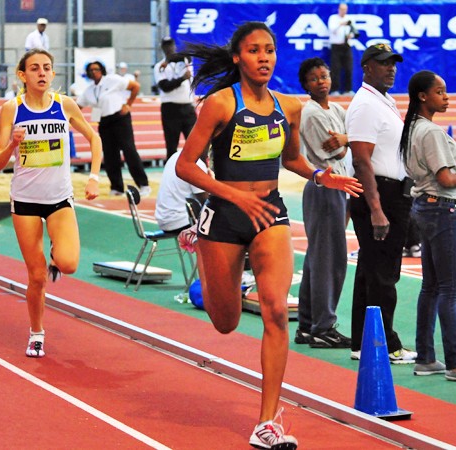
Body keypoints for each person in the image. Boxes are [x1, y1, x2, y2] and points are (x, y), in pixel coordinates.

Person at [174, 22, 361, 449]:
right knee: (226, 323)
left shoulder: (289, 108)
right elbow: (186, 166)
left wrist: (320, 175)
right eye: (255, 50)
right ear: (238, 57)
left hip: (270, 215)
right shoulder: (220, 104)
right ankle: (203, 252)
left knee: (276, 311)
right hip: (224, 216)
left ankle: (267, 423)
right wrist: (233, 197)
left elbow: (292, 159)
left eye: (270, 50)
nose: (264, 57)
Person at [0, 49, 103, 358]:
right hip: (25, 201)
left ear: (53, 74)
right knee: (36, 276)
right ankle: (36, 332)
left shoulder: (64, 105)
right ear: (23, 75)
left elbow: (95, 139)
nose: (42, 72)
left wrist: (93, 177)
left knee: (68, 264)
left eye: (47, 68)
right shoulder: (10, 109)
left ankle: (55, 255)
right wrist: (13, 143)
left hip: (59, 199)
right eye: (35, 68)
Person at [401, 69, 456, 383]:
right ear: (423, 96)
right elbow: (446, 178)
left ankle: (426, 357)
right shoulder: (432, 133)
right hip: (441, 208)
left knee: (431, 287)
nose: (446, 97)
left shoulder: (410, 127)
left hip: (424, 207)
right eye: (440, 92)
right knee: (451, 291)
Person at [345, 43, 416, 363]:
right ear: (367, 67)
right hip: (380, 194)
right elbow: (361, 160)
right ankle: (385, 344)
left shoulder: (382, 101)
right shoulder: (365, 106)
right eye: (383, 63)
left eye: (393, 63)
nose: (391, 68)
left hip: (389, 192)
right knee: (384, 275)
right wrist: (376, 208)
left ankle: (363, 343)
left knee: (371, 272)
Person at [295, 57, 352, 350]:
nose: (322, 81)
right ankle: (323, 327)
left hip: (337, 188)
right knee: (330, 261)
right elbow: (337, 154)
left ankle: (307, 326)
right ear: (305, 85)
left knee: (318, 258)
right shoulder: (312, 114)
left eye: (325, 76)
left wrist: (346, 138)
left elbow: (348, 139)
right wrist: (347, 141)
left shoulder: (338, 108)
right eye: (315, 79)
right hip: (325, 187)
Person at [77, 60, 150, 197]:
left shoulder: (112, 80)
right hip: (104, 122)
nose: (94, 72)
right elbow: (77, 106)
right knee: (110, 155)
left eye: (96, 69)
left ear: (102, 70)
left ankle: (143, 184)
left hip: (120, 118)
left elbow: (135, 86)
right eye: (91, 70)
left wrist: (128, 105)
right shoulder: (89, 90)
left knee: (129, 150)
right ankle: (116, 187)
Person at [154, 36, 197, 161]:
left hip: (187, 106)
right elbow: (165, 87)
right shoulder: (159, 66)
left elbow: (186, 55)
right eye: (166, 46)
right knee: (171, 145)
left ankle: (199, 171)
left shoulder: (184, 61)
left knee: (195, 143)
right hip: (170, 108)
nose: (169, 48)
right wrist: (182, 78)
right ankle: (171, 175)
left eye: (171, 45)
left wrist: (168, 60)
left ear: (175, 46)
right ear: (162, 48)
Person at [155, 149, 208, 233]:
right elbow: (206, 202)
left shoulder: (176, 156)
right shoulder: (196, 163)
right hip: (181, 221)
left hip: (163, 219)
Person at [327, 3, 356, 95]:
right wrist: (341, 24)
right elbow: (332, 30)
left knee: (349, 68)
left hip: (346, 46)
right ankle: (335, 90)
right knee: (336, 68)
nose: (344, 11)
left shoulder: (350, 19)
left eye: (345, 9)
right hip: (336, 46)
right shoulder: (333, 18)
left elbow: (354, 31)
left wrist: (351, 35)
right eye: (342, 9)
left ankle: (348, 89)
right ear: (339, 9)